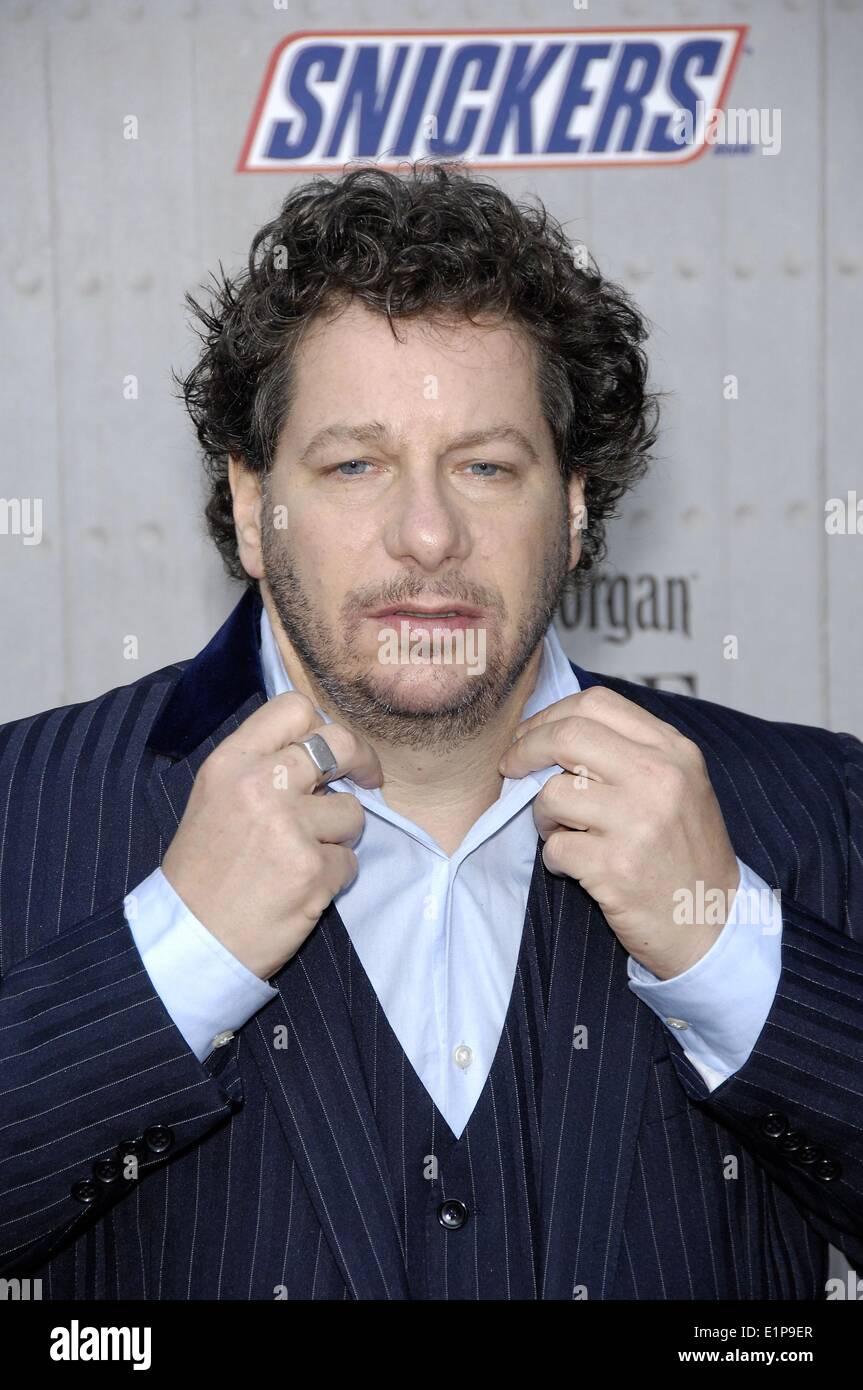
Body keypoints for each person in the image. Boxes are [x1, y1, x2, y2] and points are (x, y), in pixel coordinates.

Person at [1, 162, 860, 1300]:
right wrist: (174, 956)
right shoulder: (23, 810)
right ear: (256, 506)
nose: (425, 533)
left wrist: (730, 953)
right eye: (355, 464)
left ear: (571, 506)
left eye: (485, 466)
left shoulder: (815, 809)